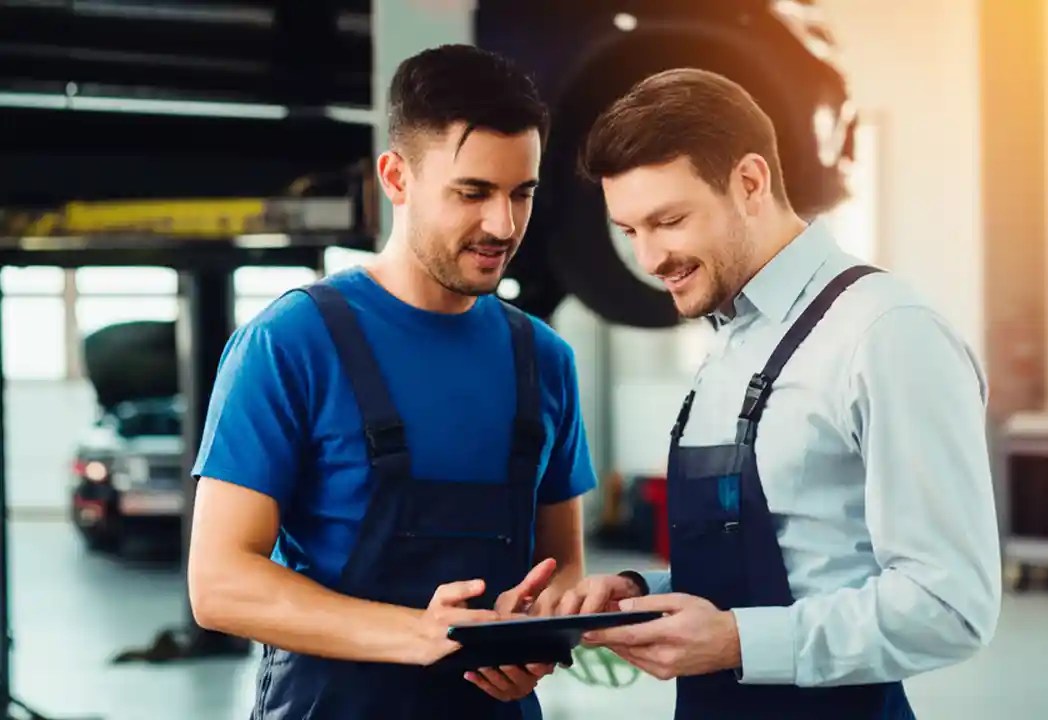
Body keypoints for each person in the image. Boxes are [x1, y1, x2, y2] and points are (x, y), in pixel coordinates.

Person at [557, 68, 1002, 719]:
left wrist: (736, 642)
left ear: (750, 182)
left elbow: (950, 606)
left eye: (669, 220)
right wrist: (640, 594)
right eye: (630, 231)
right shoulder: (734, 338)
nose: (649, 259)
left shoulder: (885, 332)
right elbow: (796, 567)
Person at [185, 44, 596, 719]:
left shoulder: (544, 360)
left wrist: (544, 637)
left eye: (521, 193)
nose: (503, 225)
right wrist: (418, 635)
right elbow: (219, 583)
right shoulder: (291, 343)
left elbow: (564, 567)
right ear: (396, 177)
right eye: (472, 193)